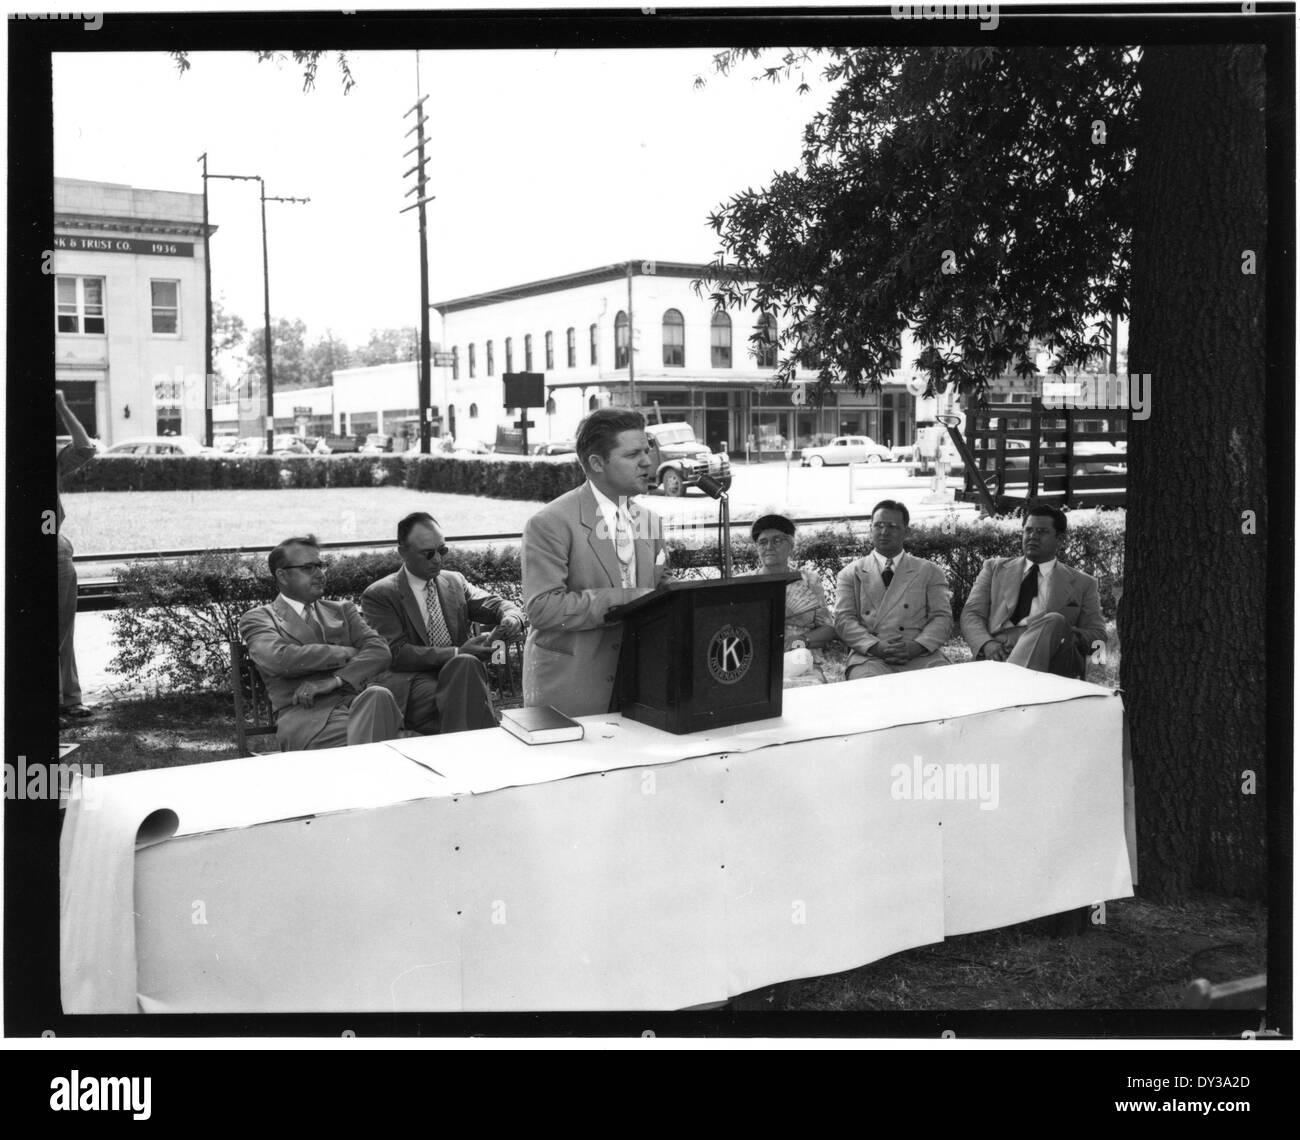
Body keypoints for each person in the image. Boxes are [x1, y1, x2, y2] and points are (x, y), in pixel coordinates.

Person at [521, 407, 666, 716]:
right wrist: (627, 599)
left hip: (642, 689)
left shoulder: (650, 521)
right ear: (597, 463)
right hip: (573, 693)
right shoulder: (550, 523)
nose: (647, 461)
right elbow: (542, 609)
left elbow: (656, 592)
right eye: (632, 455)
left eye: (647, 450)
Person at [361, 512, 523, 735]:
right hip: (412, 683)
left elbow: (494, 604)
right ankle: (482, 743)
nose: (438, 559)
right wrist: (456, 652)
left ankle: (464, 746)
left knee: (465, 666)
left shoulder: (453, 581)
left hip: (461, 675)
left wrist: (512, 618)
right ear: (403, 552)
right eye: (428, 553)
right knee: (464, 672)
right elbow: (396, 654)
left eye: (442, 550)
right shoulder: (380, 594)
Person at [238, 535, 404, 751]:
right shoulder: (260, 618)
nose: (320, 574)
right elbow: (280, 659)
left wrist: (335, 680)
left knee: (379, 696)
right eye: (308, 568)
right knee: (387, 745)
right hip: (309, 719)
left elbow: (381, 651)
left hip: (361, 706)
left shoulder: (342, 610)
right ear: (282, 576)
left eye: (321, 565)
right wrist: (345, 651)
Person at [960, 501, 1106, 676]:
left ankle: (1012, 681)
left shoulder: (1083, 583)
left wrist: (1065, 633)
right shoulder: (994, 569)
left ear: (1060, 539)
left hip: (1054, 659)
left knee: (1055, 620)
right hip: (1000, 651)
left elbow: (1098, 636)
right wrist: (987, 644)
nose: (1033, 537)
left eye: (1042, 532)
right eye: (1028, 530)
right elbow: (971, 614)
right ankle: (1016, 681)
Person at [835, 499, 953, 679]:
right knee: (868, 694)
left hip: (921, 654)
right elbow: (844, 620)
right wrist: (875, 646)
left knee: (943, 687)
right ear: (870, 529)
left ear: (907, 531)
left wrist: (918, 646)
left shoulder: (929, 571)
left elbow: (942, 617)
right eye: (878, 525)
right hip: (869, 657)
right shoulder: (850, 573)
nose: (884, 532)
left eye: (892, 526)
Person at [56, 390, 98, 723]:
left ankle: (69, 699)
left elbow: (85, 448)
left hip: (53, 550)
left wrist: (62, 407)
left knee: (61, 631)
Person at [749, 513, 838, 651]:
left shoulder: (809, 581)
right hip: (757, 654)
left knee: (799, 667)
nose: (769, 547)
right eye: (763, 542)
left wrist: (802, 641)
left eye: (777, 540)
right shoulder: (744, 583)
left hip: (800, 655)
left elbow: (828, 629)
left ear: (791, 545)